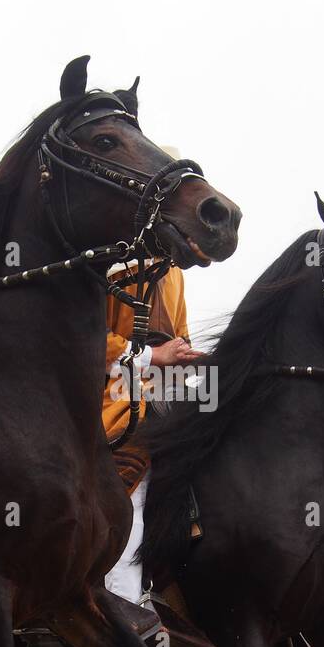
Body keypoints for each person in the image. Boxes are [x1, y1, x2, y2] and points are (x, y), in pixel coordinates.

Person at [101, 147, 201, 605]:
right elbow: (82, 336)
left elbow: (174, 340)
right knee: (140, 456)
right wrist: (152, 358)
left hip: (158, 385)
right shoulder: (104, 250)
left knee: (215, 437)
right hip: (104, 384)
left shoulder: (176, 272)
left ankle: (172, 586)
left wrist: (193, 362)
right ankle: (121, 597)